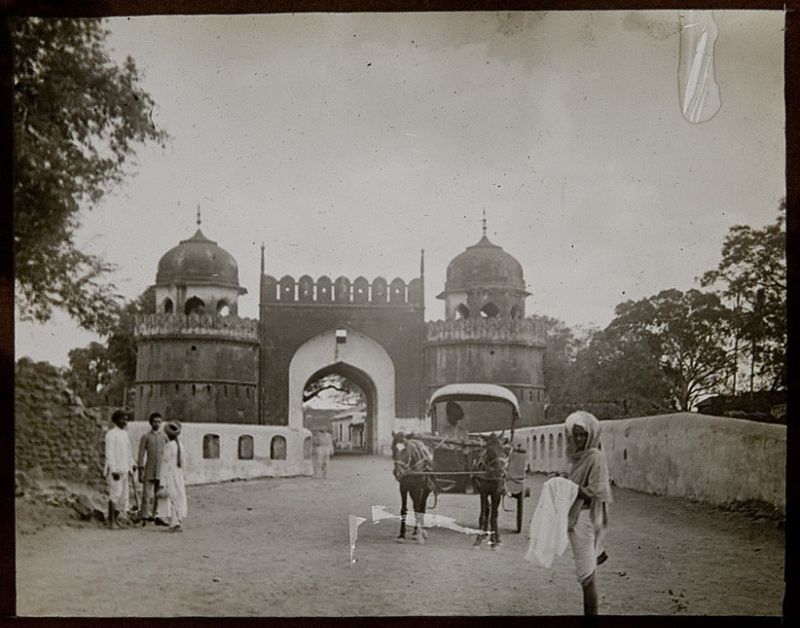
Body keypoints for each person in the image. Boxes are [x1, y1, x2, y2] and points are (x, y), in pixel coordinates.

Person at [564, 411, 613, 616]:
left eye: (582, 435)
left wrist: (567, 486)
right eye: (575, 435)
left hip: (586, 519)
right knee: (586, 576)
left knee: (587, 578)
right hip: (578, 519)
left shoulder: (595, 457)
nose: (578, 439)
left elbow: (596, 493)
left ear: (592, 434)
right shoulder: (578, 457)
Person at [104, 409, 136, 529]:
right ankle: (111, 522)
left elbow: (128, 452)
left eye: (126, 419)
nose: (125, 421)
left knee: (123, 497)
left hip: (125, 469)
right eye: (122, 418)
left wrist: (132, 463)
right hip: (116, 471)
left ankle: (116, 520)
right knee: (115, 495)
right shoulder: (111, 434)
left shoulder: (125, 434)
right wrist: (113, 469)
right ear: (116, 420)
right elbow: (109, 453)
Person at [157, 421, 188, 532]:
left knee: (172, 498)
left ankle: (174, 523)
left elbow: (165, 463)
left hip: (170, 474)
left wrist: (162, 481)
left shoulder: (169, 446)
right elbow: (183, 463)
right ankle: (178, 520)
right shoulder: (180, 446)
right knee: (179, 496)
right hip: (178, 474)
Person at [137, 412, 167, 525]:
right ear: (150, 423)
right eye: (155, 421)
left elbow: (168, 453)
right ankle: (144, 516)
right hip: (149, 469)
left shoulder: (164, 437)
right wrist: (140, 470)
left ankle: (155, 516)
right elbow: (141, 454)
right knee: (146, 494)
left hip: (161, 470)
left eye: (159, 421)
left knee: (159, 494)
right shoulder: (146, 437)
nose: (157, 424)